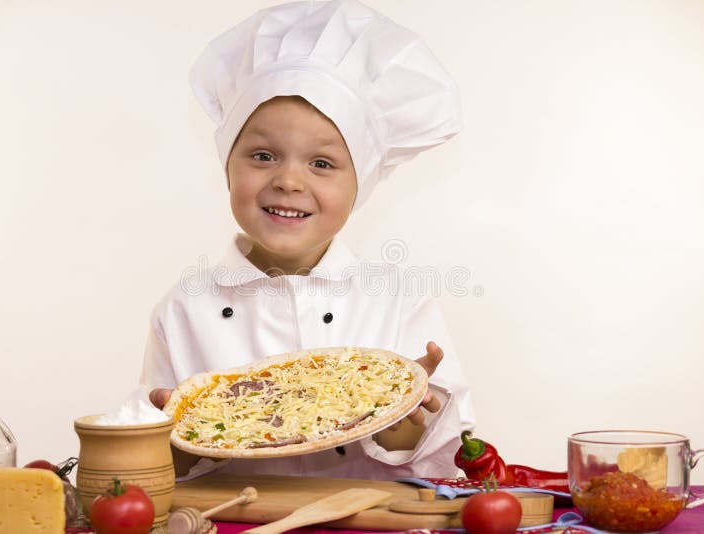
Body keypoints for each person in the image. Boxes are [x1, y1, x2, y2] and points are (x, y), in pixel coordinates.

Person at [141, 0, 476, 480]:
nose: (289, 181)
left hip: (369, 522)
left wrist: (402, 414)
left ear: (360, 184)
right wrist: (181, 440)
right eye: (262, 155)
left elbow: (450, 453)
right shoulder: (183, 310)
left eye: (321, 163)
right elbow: (151, 460)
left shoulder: (398, 300)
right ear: (226, 166)